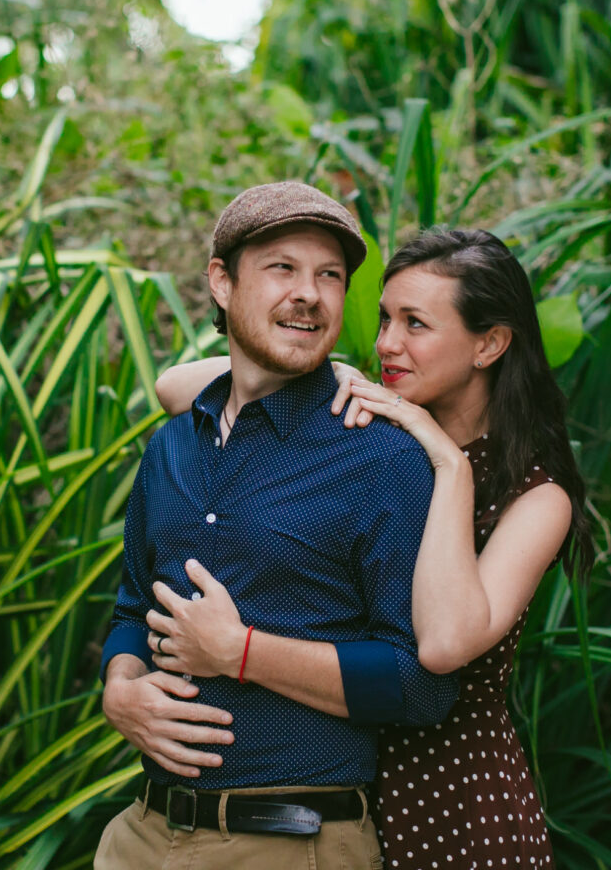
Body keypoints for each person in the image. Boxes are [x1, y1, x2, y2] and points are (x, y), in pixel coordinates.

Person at [150, 227, 593, 869]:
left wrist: (449, 464)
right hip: (326, 787)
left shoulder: (536, 498)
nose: (387, 343)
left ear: (490, 343)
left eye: (415, 324)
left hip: (452, 801)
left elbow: (442, 645)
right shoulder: (366, 421)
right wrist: (323, 369)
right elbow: (174, 388)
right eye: (385, 319)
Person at [95, 181, 459, 870]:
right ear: (222, 283)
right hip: (140, 837)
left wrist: (241, 651)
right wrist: (120, 688)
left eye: (329, 276)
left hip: (293, 842)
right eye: (282, 269)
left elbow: (421, 685)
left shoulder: (381, 455)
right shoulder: (170, 448)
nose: (310, 294)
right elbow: (130, 606)